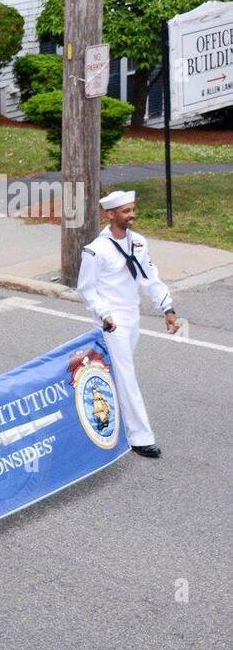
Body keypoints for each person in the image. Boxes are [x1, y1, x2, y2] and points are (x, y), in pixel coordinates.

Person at [76, 190, 180, 458]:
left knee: (114, 371)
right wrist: (103, 315)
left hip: (133, 317)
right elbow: (86, 289)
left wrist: (167, 307)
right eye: (125, 211)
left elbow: (150, 278)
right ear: (110, 215)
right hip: (112, 321)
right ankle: (140, 437)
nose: (132, 215)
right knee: (126, 375)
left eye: (133, 209)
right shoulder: (96, 251)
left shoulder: (139, 244)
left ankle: (93, 410)